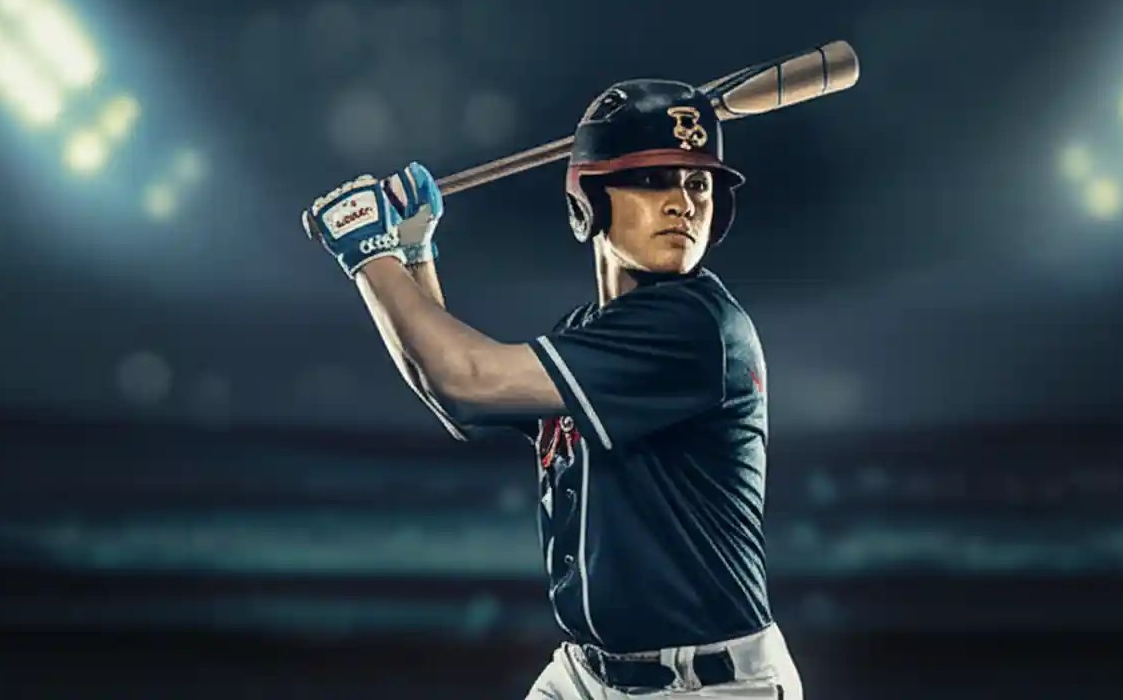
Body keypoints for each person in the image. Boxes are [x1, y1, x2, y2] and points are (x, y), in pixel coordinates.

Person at [303, 78, 803, 698]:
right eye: (651, 179)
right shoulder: (592, 333)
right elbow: (463, 404)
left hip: (704, 684)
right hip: (587, 674)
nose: (682, 202)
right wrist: (411, 255)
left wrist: (369, 254)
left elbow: (465, 380)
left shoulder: (695, 327)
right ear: (590, 200)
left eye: (698, 182)